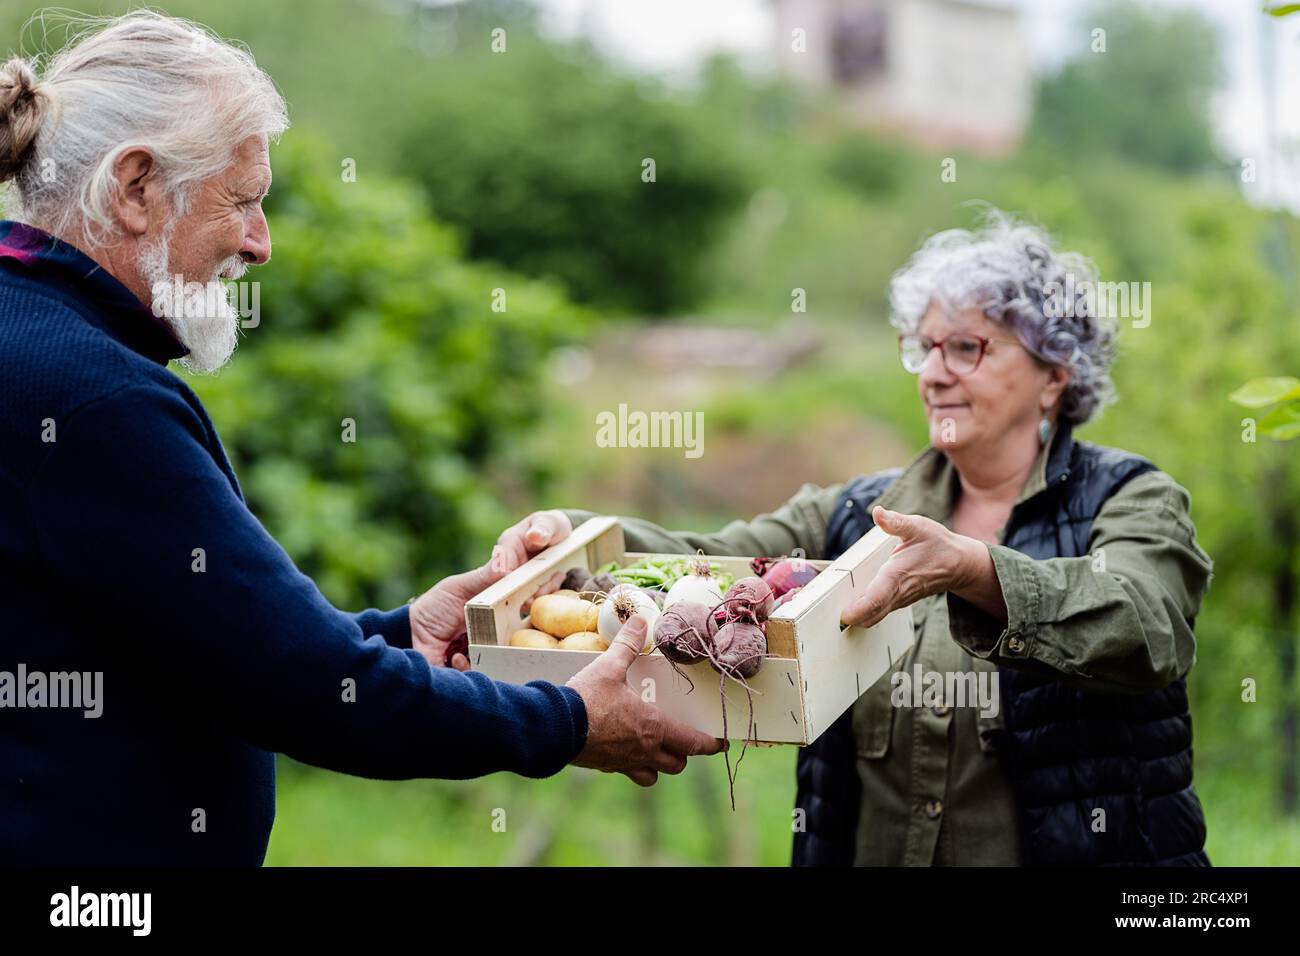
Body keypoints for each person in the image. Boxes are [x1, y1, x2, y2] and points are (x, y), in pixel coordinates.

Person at [0, 11, 721, 866]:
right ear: (135, 188)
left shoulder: (34, 342)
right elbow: (300, 686)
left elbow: (224, 642)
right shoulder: (97, 401)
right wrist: (565, 720)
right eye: (243, 200)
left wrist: (399, 632)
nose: (261, 244)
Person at [500, 211, 1214, 866]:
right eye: (924, 348)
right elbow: (707, 558)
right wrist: (579, 536)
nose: (934, 374)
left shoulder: (1127, 500)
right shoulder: (858, 516)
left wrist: (972, 570)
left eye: (966, 348)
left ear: (1055, 374)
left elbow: (1147, 624)